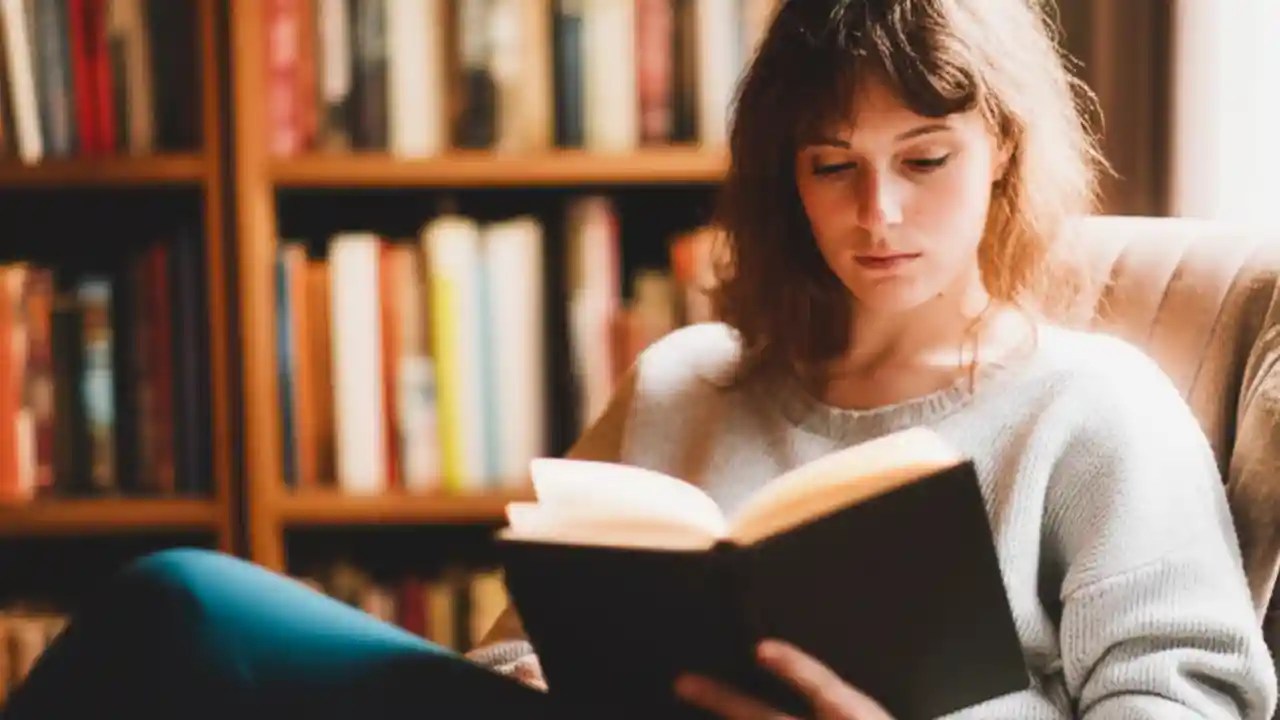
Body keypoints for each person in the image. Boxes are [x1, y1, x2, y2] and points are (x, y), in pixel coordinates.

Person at [2, 1, 1275, 719]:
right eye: (831, 168)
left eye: (923, 161)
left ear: (999, 151)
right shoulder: (685, 378)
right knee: (180, 607)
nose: (876, 214)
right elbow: (508, 653)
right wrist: (539, 670)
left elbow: (1187, 710)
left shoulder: (1095, 405)